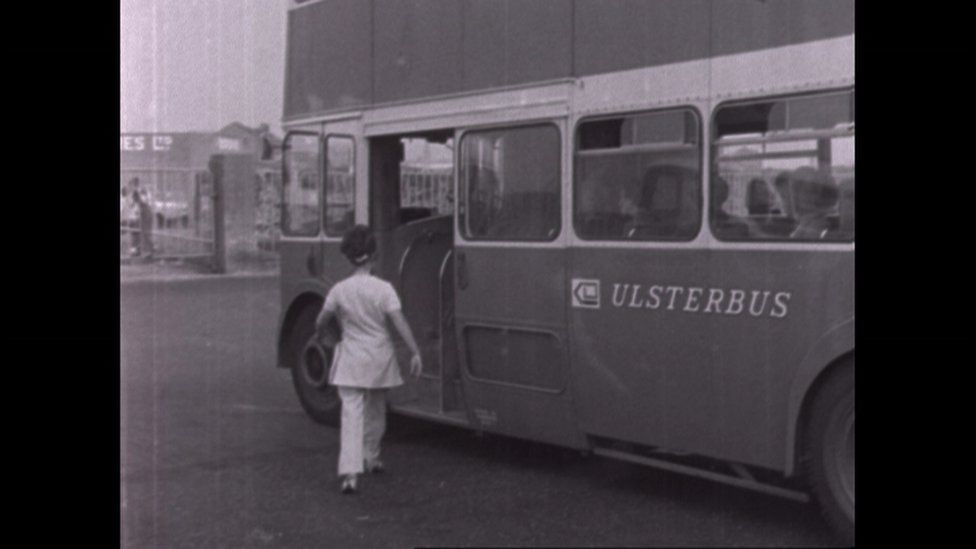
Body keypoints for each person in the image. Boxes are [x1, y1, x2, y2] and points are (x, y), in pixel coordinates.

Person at [314, 225, 423, 494]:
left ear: (349, 258)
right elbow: (399, 322)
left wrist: (323, 336)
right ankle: (371, 456)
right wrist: (415, 351)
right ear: (374, 255)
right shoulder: (384, 289)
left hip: (351, 358)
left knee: (352, 413)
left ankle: (350, 474)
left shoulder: (339, 290)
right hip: (379, 358)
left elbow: (321, 321)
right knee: (376, 409)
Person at [129, 177, 154, 257]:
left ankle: (148, 251)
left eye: (133, 184)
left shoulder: (143, 191)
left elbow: (144, 202)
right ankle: (136, 250)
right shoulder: (134, 192)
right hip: (137, 214)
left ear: (136, 184)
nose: (132, 187)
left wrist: (138, 195)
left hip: (145, 212)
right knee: (136, 232)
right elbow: (132, 204)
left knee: (146, 232)